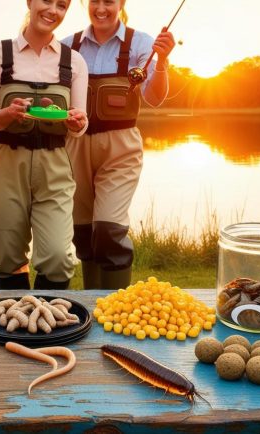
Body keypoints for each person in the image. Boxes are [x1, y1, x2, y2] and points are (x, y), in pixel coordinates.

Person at [62, 0, 176, 289]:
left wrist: (162, 61)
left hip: (121, 148)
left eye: (109, 2)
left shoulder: (142, 43)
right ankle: (93, 305)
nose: (101, 8)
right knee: (83, 233)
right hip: (74, 146)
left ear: (121, 4)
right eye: (95, 1)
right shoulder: (66, 46)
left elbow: (154, 98)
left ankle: (117, 306)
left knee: (108, 230)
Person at [0, 0, 89, 290]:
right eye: (47, 1)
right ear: (30, 2)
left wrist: (77, 123)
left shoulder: (74, 61)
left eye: (62, 6)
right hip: (6, 162)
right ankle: (14, 314)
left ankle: (48, 316)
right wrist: (4, 115)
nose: (53, 10)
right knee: (7, 254)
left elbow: (81, 122)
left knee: (58, 257)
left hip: (55, 165)